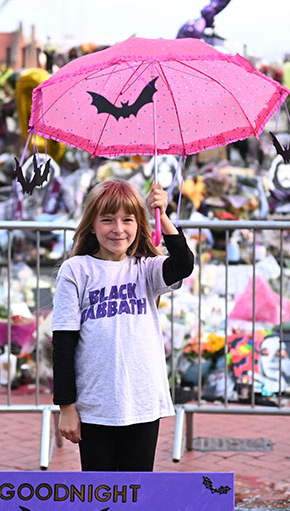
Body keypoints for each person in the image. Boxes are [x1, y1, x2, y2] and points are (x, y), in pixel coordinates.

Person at [51, 179, 195, 472]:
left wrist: (163, 215)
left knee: (137, 492)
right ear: (91, 225)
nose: (118, 229)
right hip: (95, 404)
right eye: (107, 220)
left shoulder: (147, 268)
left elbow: (183, 264)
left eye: (127, 220)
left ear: (138, 223)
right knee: (100, 493)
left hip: (142, 401)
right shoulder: (76, 270)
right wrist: (66, 407)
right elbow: (63, 343)